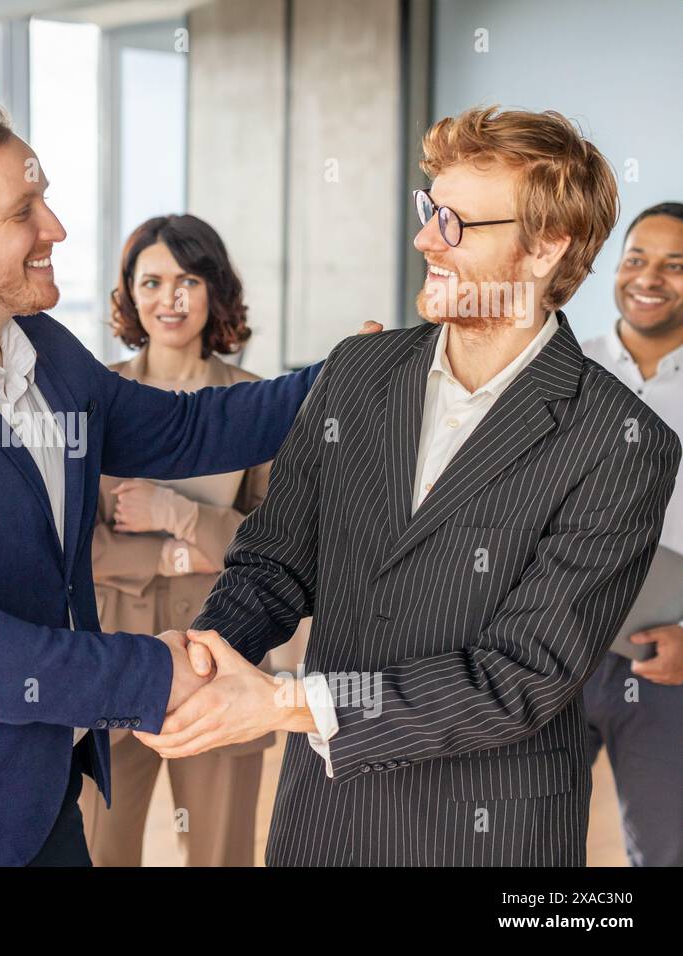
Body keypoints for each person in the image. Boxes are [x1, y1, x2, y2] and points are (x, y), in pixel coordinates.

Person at [0, 98, 378, 866]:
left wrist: (350, 378)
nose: (54, 227)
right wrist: (152, 673)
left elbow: (188, 429)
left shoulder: (45, 353)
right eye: (23, 211)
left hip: (42, 802)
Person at [137, 106, 681, 867]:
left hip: (488, 834)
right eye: (430, 211)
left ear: (544, 247)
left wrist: (282, 701)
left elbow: (521, 675)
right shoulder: (357, 372)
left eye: (455, 223)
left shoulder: (623, 442)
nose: (426, 238)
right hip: (321, 817)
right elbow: (276, 561)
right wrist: (202, 659)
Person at [79, 214, 283, 866]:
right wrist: (199, 549)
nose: (170, 298)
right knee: (96, 853)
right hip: (110, 660)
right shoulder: (90, 396)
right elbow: (80, 550)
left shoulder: (257, 404)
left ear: (214, 290)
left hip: (223, 662)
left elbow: (275, 553)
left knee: (219, 855)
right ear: (130, 293)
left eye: (188, 280)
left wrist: (175, 512)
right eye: (153, 281)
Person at [580, 202, 683, 866]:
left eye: (676, 265)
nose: (650, 277)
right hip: (550, 653)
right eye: (637, 258)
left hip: (669, 663)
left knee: (665, 851)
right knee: (523, 845)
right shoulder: (563, 374)